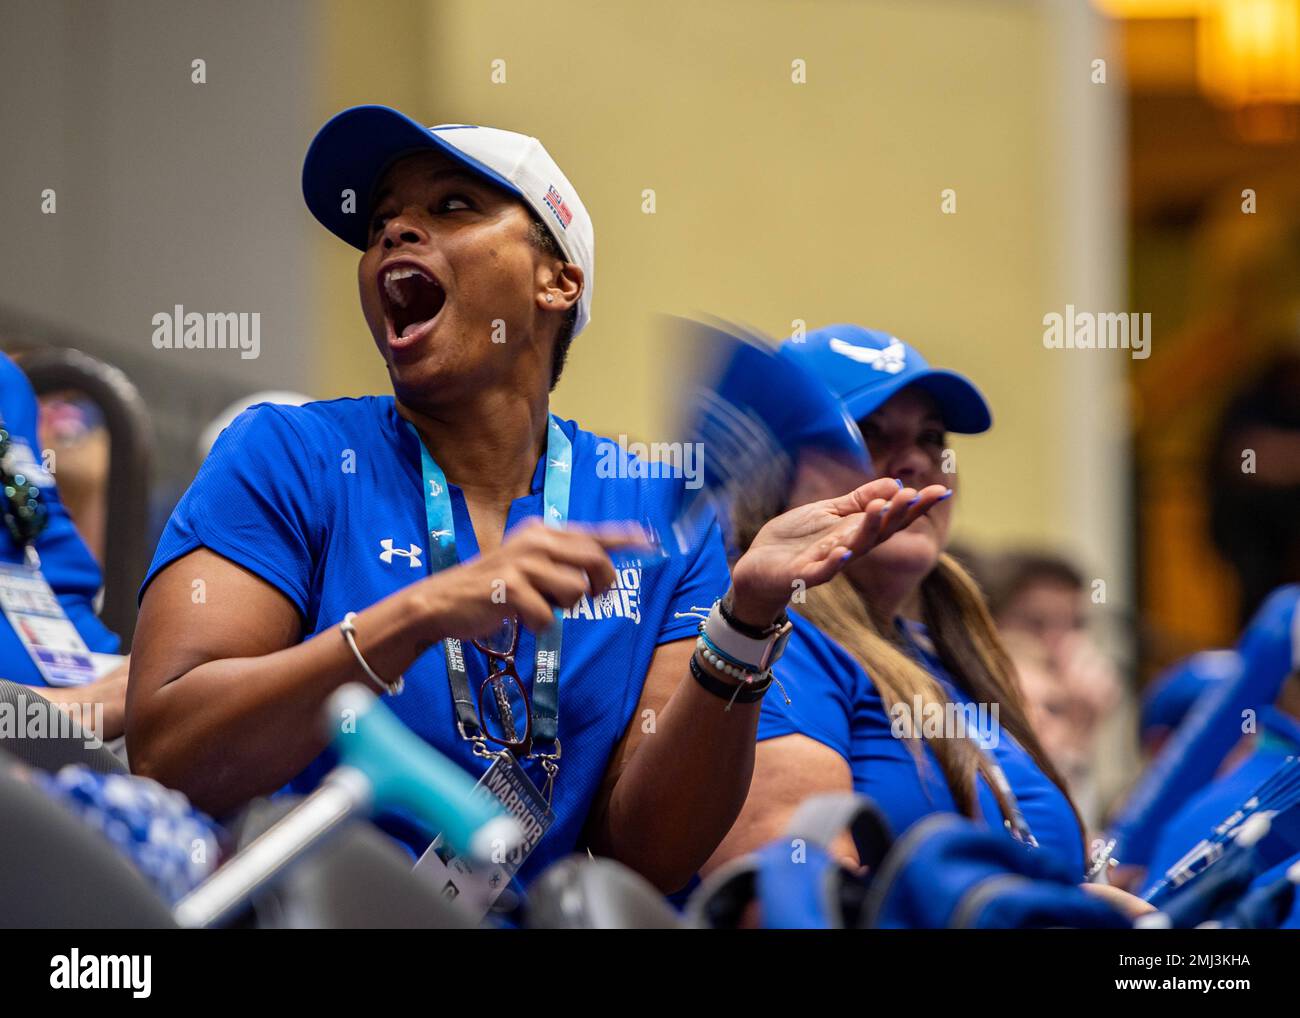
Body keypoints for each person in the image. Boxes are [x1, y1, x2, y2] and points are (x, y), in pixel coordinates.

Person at [126, 107, 947, 895]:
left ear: (558, 281)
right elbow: (170, 754)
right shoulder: (288, 455)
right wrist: (419, 615)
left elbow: (647, 854)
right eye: (380, 221)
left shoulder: (653, 514)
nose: (395, 232)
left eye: (452, 206)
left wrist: (748, 619)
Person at [706, 325, 1091, 881]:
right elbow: (795, 900)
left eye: (932, 437)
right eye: (868, 434)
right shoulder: (771, 645)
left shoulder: (947, 651)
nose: (914, 461)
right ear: (776, 471)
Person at [0, 351, 127, 739]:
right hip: (36, 726)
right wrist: (72, 708)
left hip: (79, 696)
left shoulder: (8, 384)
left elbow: (57, 569)